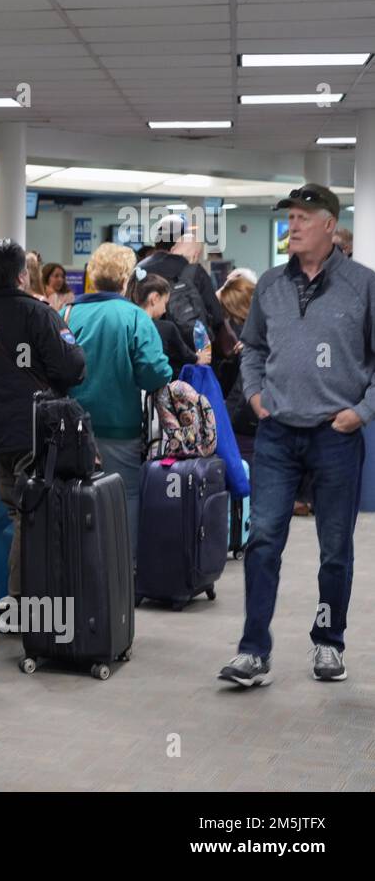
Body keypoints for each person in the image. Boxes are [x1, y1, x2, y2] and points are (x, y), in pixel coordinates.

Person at [218, 184, 375, 688]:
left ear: (330, 224)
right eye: (290, 217)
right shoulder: (269, 285)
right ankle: (253, 651)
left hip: (336, 434)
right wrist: (257, 395)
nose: (294, 225)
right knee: (263, 541)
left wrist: (362, 412)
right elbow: (253, 347)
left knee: (335, 548)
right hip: (278, 434)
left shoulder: (363, 286)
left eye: (304, 217)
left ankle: (328, 643)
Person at [0, 239, 85, 600]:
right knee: (29, 514)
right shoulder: (39, 314)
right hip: (32, 431)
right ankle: (22, 601)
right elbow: (70, 368)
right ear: (22, 276)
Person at [64, 244, 171, 564]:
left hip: (70, 428)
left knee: (72, 498)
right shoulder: (134, 317)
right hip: (119, 426)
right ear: (126, 279)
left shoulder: (66, 314)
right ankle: (122, 572)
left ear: (91, 277)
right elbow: (155, 373)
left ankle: (78, 570)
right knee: (124, 498)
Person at [136, 216, 224, 347]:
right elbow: (216, 315)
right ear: (179, 242)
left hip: (148, 342)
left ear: (156, 241)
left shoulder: (139, 269)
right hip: (188, 348)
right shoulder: (193, 270)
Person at [127, 269, 210, 377]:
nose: (165, 310)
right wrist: (199, 358)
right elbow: (186, 355)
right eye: (165, 303)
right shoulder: (166, 328)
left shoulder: (126, 324)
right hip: (154, 386)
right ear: (155, 298)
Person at [215, 274, 258, 465]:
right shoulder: (269, 327)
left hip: (244, 423)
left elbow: (241, 386)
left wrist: (224, 420)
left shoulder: (245, 338)